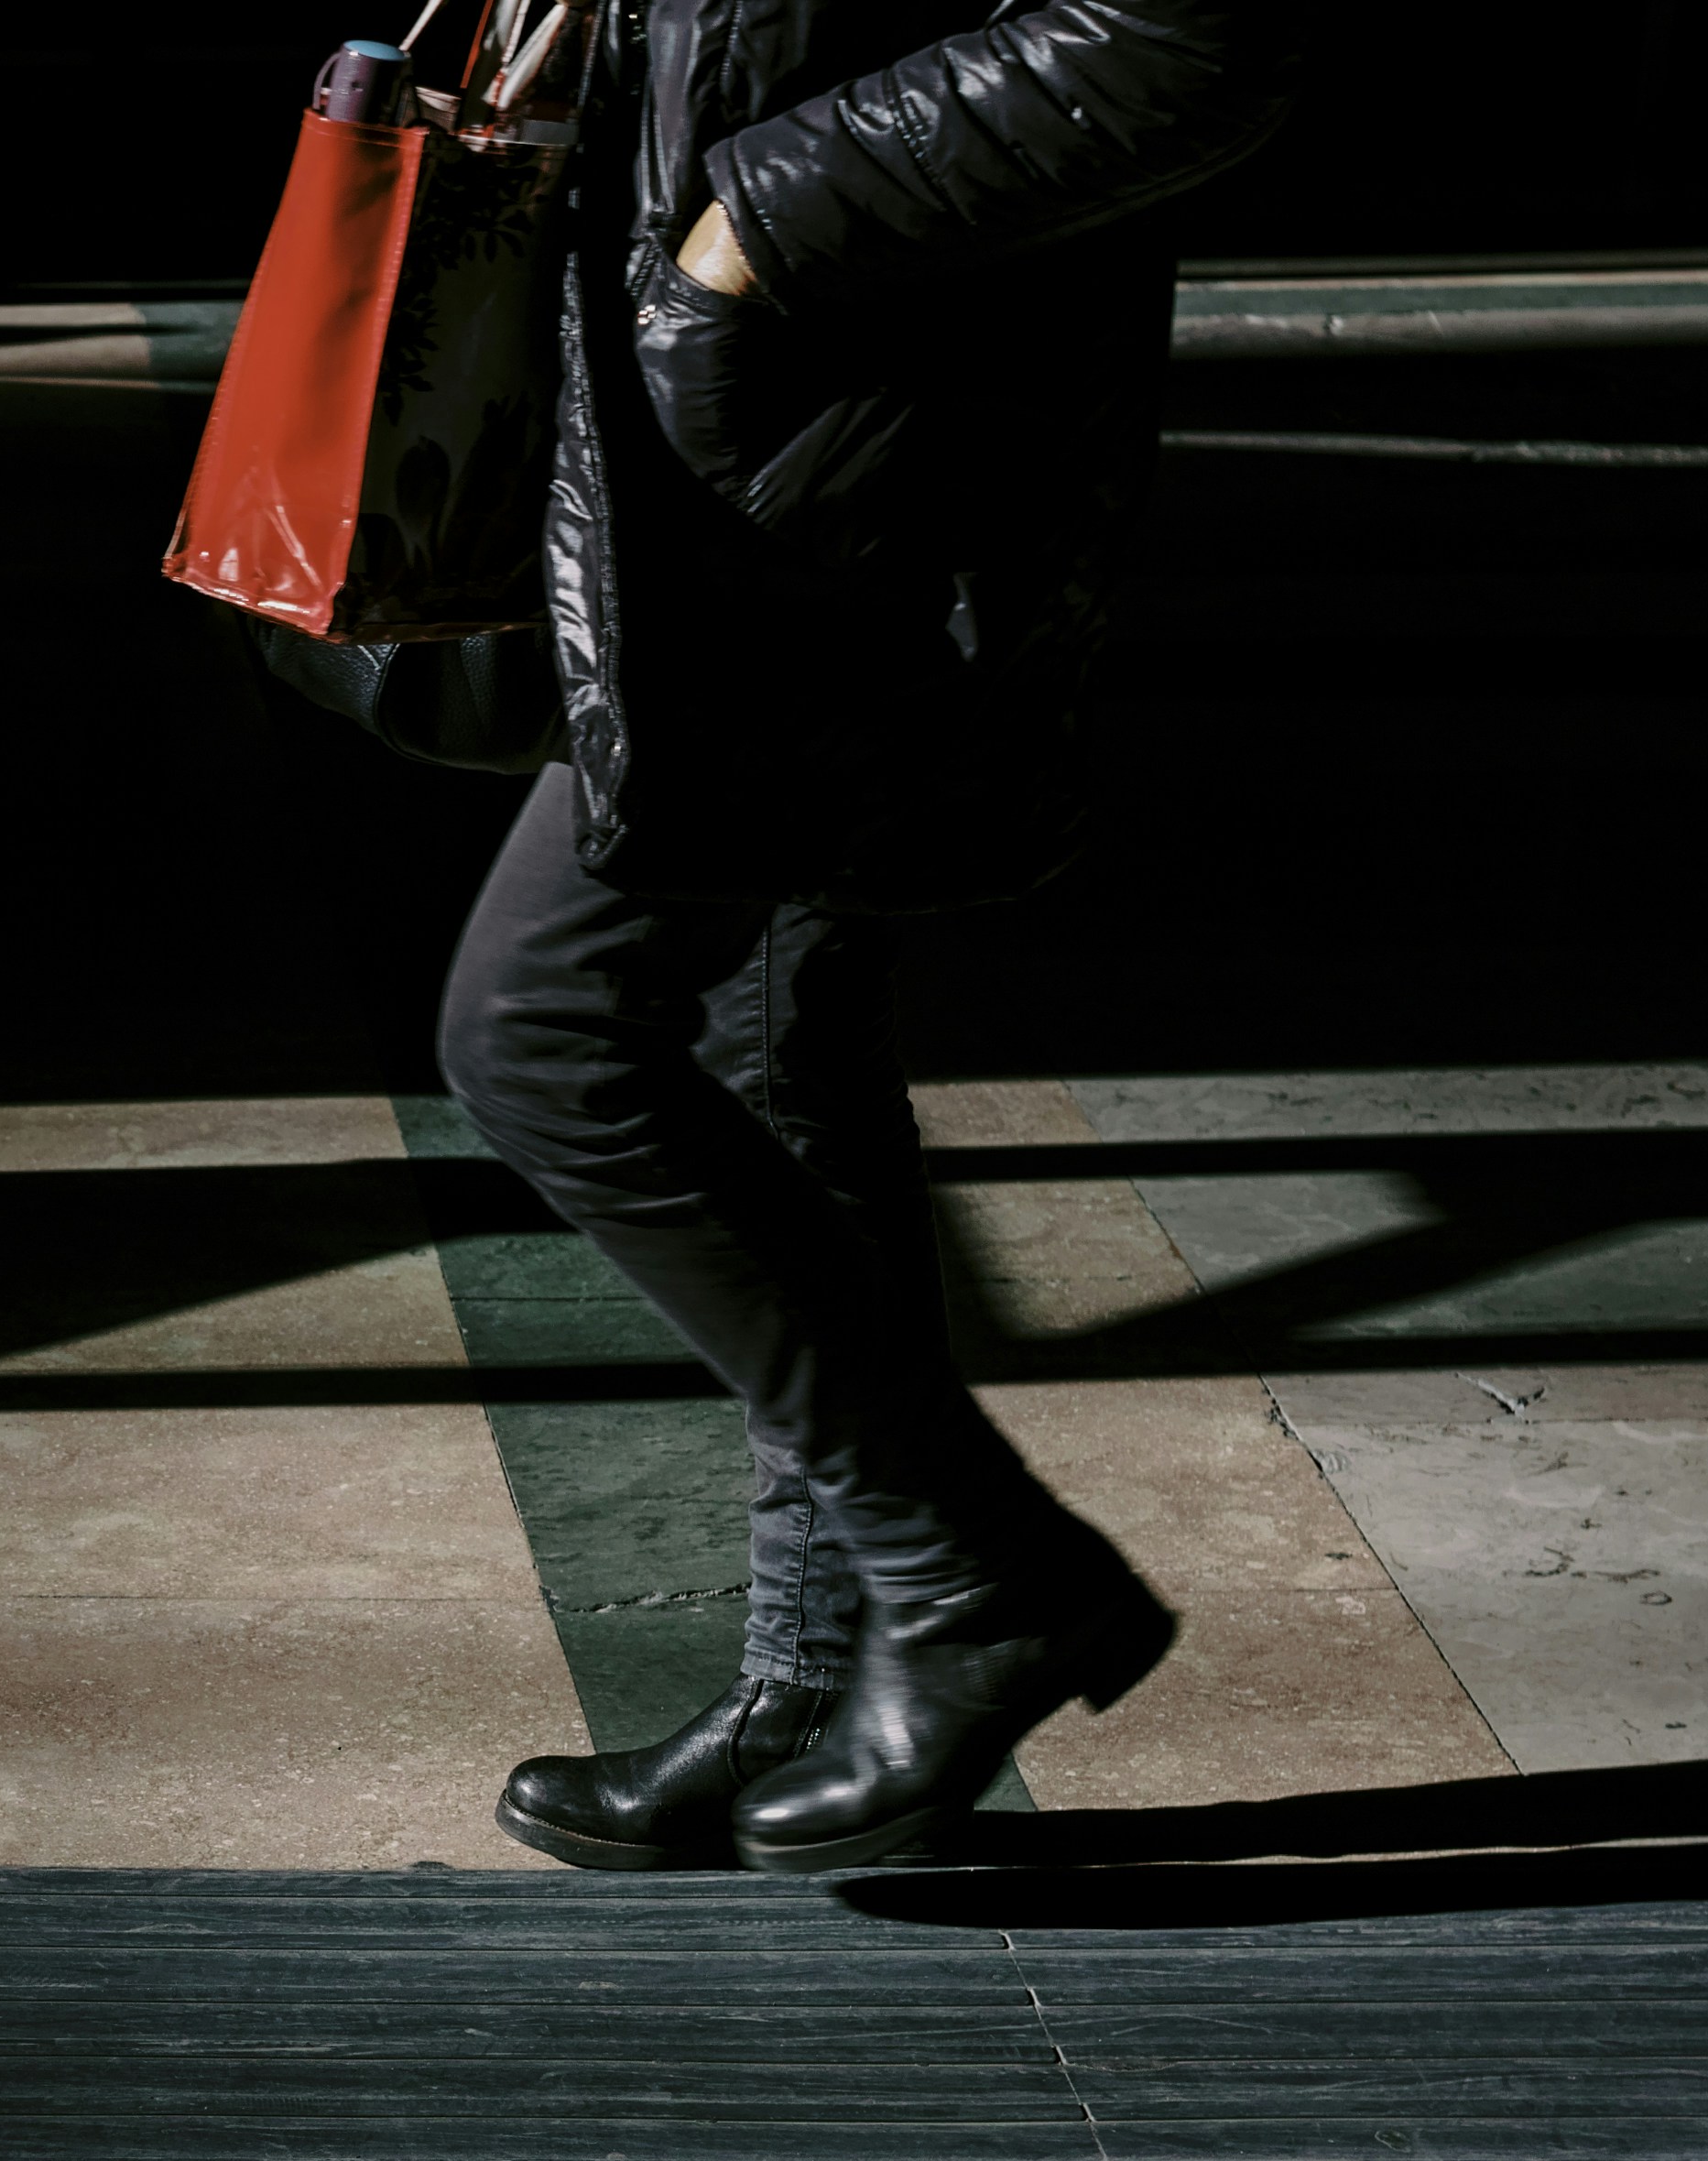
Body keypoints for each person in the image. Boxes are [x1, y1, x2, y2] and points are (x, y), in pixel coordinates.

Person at [455, 0, 1305, 1874]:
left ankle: (979, 1576)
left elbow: (1194, 34)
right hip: (770, 415)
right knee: (782, 1040)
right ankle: (813, 1679)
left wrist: (751, 230)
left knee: (542, 1026)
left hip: (863, 430)